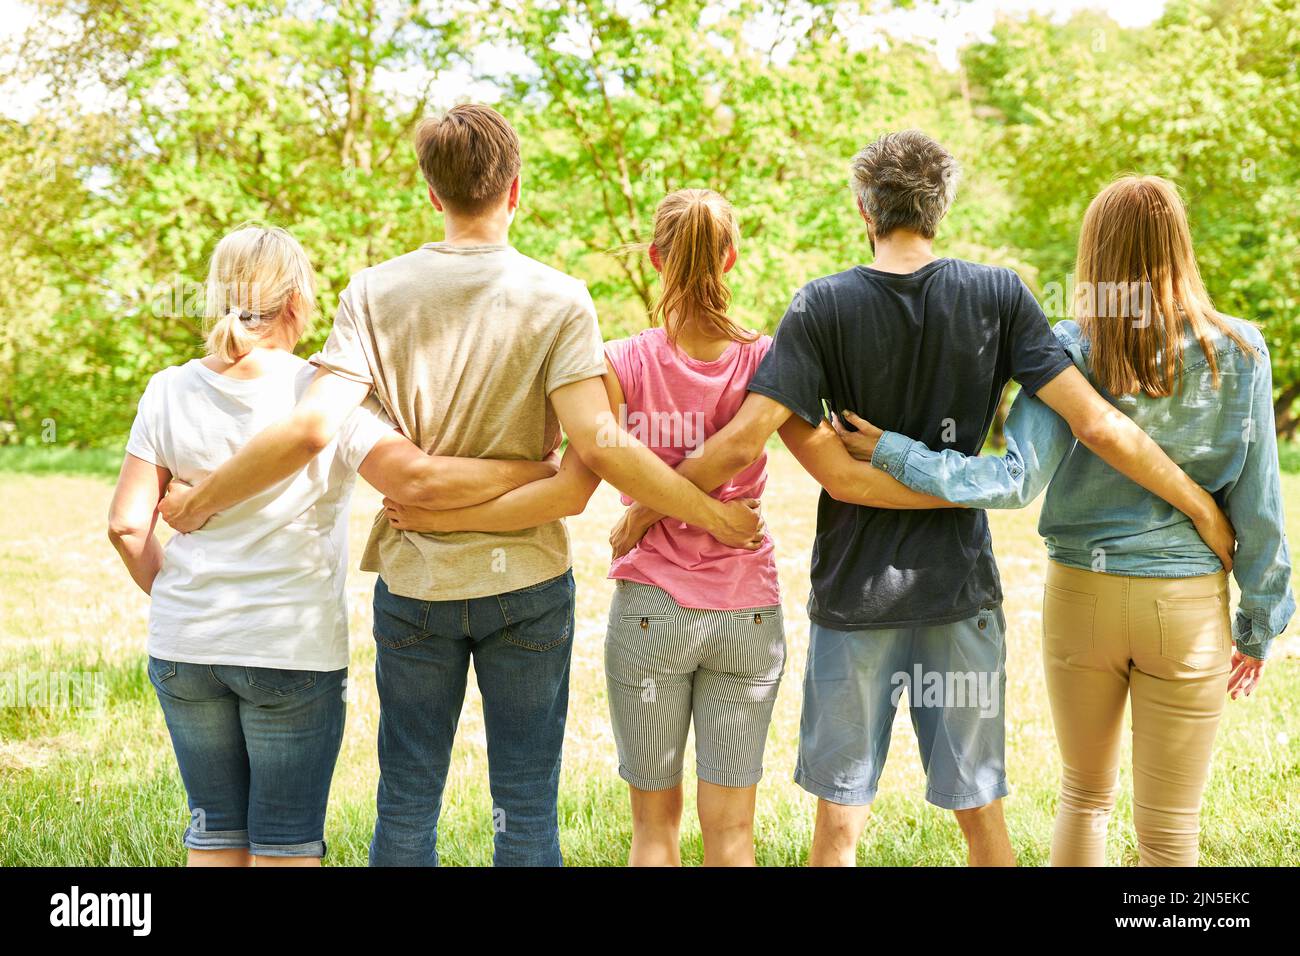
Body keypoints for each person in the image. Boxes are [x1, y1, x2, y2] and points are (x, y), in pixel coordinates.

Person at [598, 131, 1236, 866]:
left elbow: (813, 468)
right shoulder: (999, 294)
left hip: (853, 601)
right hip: (959, 596)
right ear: (942, 205)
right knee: (981, 817)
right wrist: (1197, 503)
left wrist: (648, 505)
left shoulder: (820, 304)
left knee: (839, 828)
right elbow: (1094, 422)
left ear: (862, 205)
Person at [155, 106, 762, 867]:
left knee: (407, 801)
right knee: (526, 804)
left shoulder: (373, 292)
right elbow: (600, 447)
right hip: (529, 584)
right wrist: (707, 509)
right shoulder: (559, 296)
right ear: (514, 190)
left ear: (432, 193)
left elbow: (314, 429)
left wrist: (199, 501)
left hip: (418, 584)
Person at [383, 188, 952, 865]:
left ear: (655, 259)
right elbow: (841, 475)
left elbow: (569, 486)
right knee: (733, 836)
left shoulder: (618, 363)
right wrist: (955, 488)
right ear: (732, 258)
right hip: (746, 613)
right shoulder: (767, 361)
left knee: (653, 832)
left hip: (650, 612)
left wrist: (463, 511)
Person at [837, 175, 1294, 866]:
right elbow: (1260, 507)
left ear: (1097, 252)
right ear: (1181, 245)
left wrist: (894, 450)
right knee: (1171, 834)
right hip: (1187, 604)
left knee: (1084, 799)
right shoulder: (1242, 352)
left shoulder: (1070, 346)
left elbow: (1013, 480)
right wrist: (1259, 624)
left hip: (1084, 596)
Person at [108, 223, 557, 866]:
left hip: (185, 647)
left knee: (212, 835)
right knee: (285, 841)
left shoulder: (166, 389)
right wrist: (538, 469)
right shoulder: (327, 391)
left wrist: (183, 593)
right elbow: (419, 478)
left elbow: (127, 526)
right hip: (288, 651)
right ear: (297, 302)